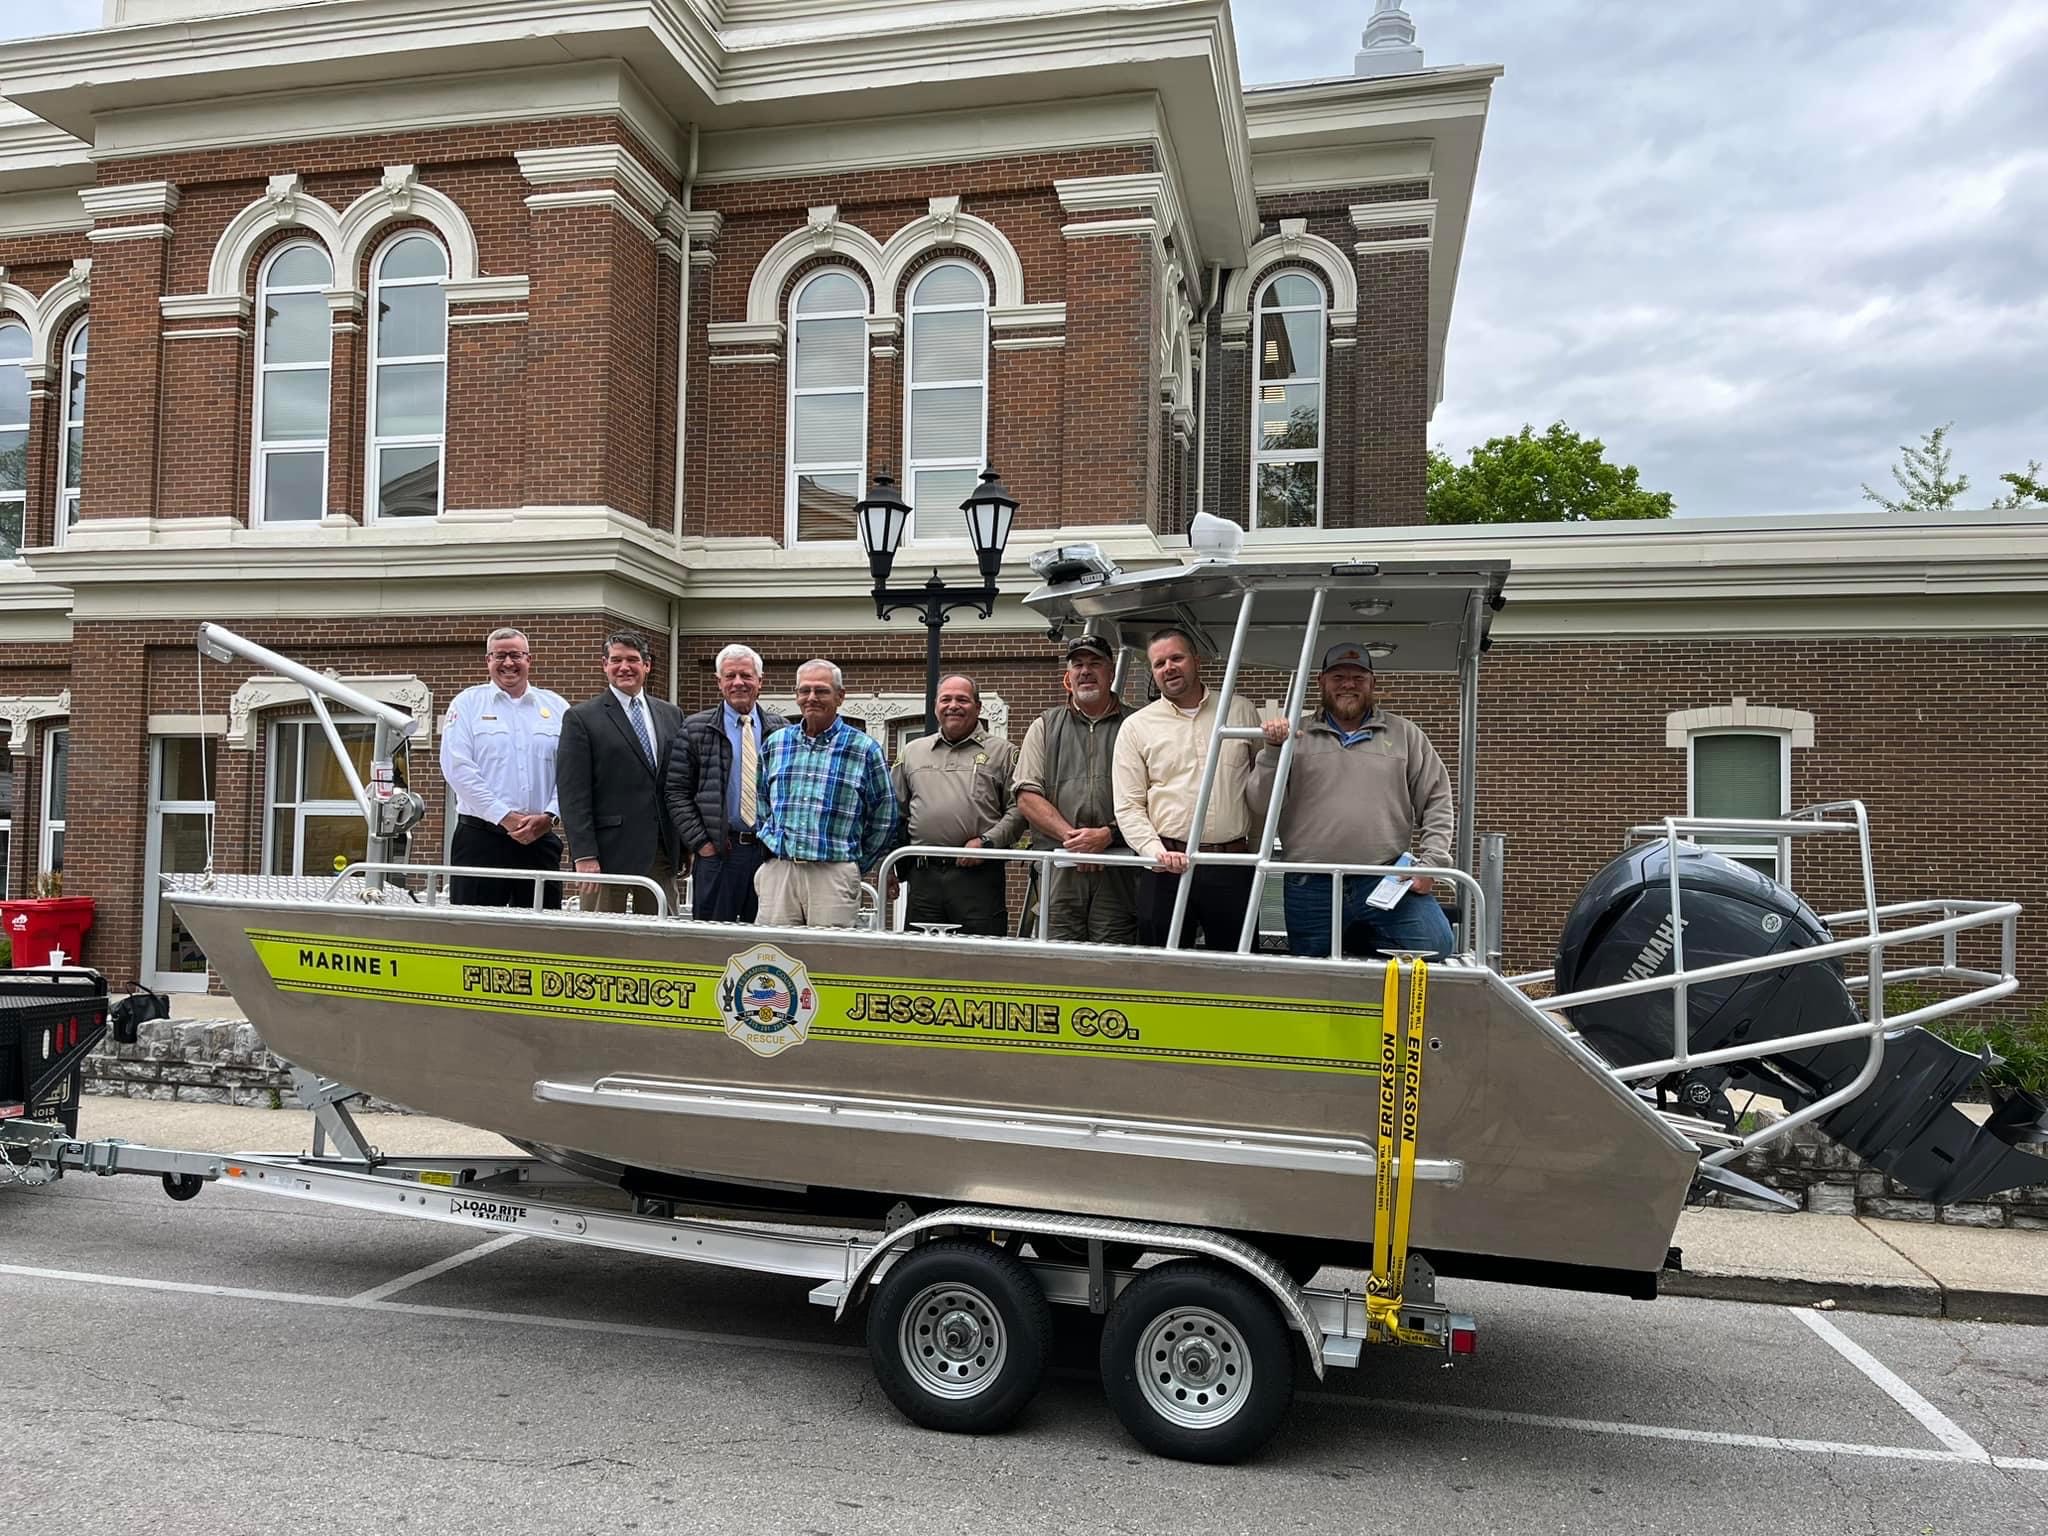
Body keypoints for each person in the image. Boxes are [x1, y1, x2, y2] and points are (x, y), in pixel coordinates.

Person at [1247, 640, 1456, 958]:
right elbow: (1260, 803)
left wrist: (1432, 865)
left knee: (1434, 944)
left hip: (1384, 877)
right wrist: (1273, 752)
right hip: (1310, 883)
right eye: (1338, 677)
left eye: (1358, 677)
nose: (1348, 685)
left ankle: (1358, 950)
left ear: (1373, 683)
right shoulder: (1294, 737)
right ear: (1321, 682)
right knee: (1313, 969)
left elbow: (1437, 799)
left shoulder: (1405, 735)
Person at [1111, 626, 1261, 950]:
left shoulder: (1240, 710)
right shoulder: (1136, 727)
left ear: (1196, 660)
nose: (1168, 668)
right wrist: (1155, 852)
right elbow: (1128, 805)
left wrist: (1255, 853)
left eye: (1176, 658)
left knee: (1238, 970)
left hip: (1232, 866)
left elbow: (1261, 791)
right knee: (1161, 971)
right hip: (1165, 868)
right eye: (1159, 663)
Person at [753, 659, 897, 928]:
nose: (811, 698)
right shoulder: (776, 744)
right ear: (796, 695)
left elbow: (884, 816)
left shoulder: (864, 749)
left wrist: (854, 863)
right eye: (804, 690)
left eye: (821, 691)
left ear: (840, 697)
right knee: (775, 951)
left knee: (830, 953)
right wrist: (772, 842)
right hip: (780, 872)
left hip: (833, 873)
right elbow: (761, 803)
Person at [1014, 634, 1137, 943]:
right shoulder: (1044, 725)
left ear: (1111, 671)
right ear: (1068, 675)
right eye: (1078, 664)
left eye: (1095, 663)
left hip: (1120, 867)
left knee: (1113, 955)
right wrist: (1076, 840)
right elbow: (1027, 796)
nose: (1086, 671)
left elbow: (1152, 796)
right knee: (1059, 955)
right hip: (1059, 867)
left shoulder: (1137, 725)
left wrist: (1108, 835)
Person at [556, 629, 685, 914]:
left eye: (632, 659)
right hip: (605, 856)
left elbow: (677, 783)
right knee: (603, 936)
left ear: (646, 665)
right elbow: (573, 794)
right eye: (616, 660)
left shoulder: (671, 715)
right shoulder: (581, 718)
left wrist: (684, 846)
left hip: (660, 854)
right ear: (605, 665)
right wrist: (584, 855)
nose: (624, 667)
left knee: (661, 935)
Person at [440, 627, 569, 908]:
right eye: (499, 656)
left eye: (515, 655)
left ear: (529, 659)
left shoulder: (557, 707)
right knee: (476, 928)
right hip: (480, 840)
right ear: (488, 661)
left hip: (539, 840)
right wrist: (504, 816)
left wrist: (551, 815)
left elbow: (571, 772)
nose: (508, 663)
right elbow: (457, 769)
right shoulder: (467, 704)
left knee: (542, 929)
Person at [664, 643, 789, 923]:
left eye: (746, 675)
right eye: (730, 676)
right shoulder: (696, 729)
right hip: (719, 854)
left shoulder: (782, 731)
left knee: (765, 938)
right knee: (713, 940)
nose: (738, 682)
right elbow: (676, 792)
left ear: (760, 681)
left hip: (768, 855)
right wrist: (701, 843)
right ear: (719, 682)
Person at [890, 674, 1022, 937]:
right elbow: (894, 812)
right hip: (923, 878)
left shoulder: (1004, 753)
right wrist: (889, 863)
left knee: (978, 955)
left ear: (978, 707)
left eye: (962, 699)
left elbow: (1020, 810)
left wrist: (987, 842)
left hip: (979, 876)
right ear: (935, 707)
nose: (953, 706)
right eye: (946, 699)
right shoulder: (912, 752)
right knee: (922, 955)